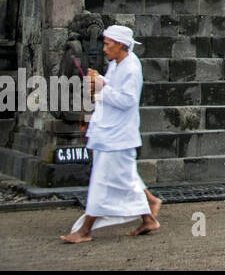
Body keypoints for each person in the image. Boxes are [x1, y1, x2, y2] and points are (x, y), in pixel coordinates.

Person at [61, 26, 161, 243]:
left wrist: (101, 88)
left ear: (120, 45)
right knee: (123, 179)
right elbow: (111, 89)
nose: (104, 49)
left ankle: (85, 230)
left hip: (117, 135)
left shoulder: (131, 68)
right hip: (111, 133)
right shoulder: (117, 64)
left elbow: (127, 100)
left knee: (102, 182)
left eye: (107, 44)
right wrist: (101, 82)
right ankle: (148, 216)